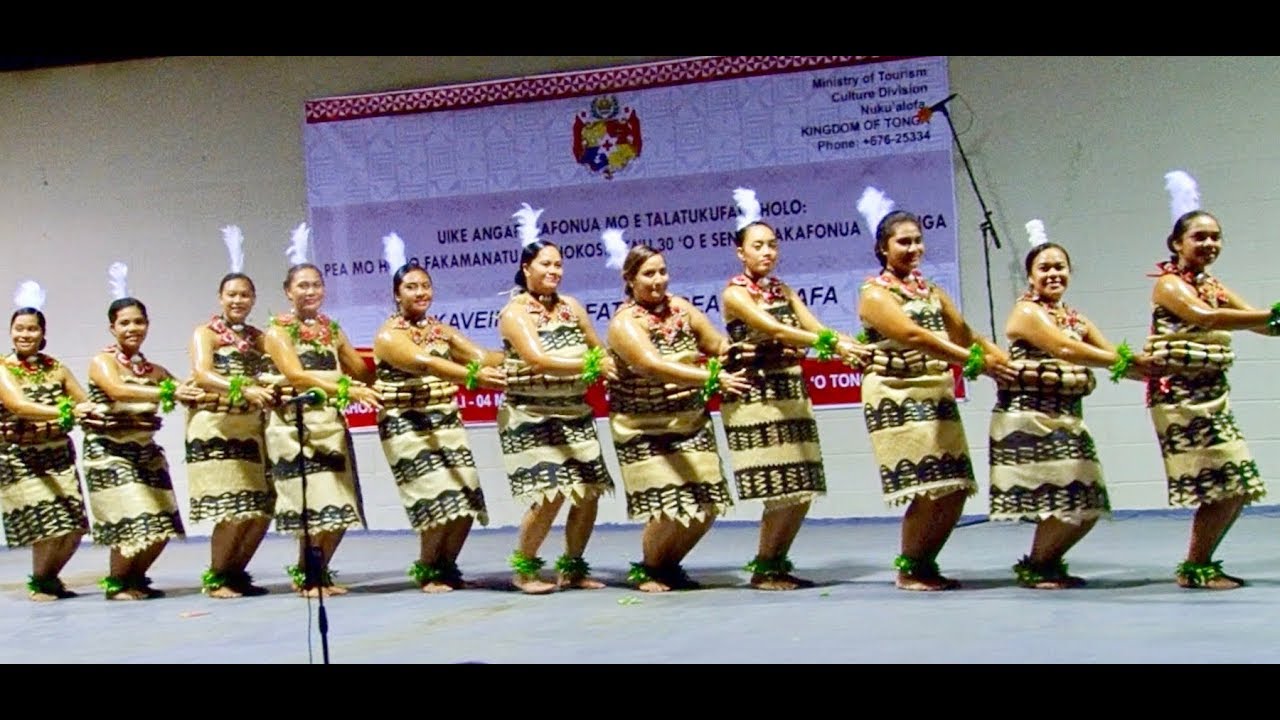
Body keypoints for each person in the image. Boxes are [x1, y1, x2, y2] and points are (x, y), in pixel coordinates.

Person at [854, 187, 1016, 591]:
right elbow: (914, 335)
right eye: (903, 241)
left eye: (918, 240)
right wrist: (976, 363)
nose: (913, 248)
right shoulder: (874, 294)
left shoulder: (931, 291)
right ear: (882, 248)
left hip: (936, 392)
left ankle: (926, 563)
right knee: (927, 487)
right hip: (896, 394)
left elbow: (965, 334)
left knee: (955, 487)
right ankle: (910, 568)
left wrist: (1006, 362)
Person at [989, 220, 1154, 589]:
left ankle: (1043, 564)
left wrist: (1155, 373)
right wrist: (1122, 364)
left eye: (1059, 267)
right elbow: (1066, 349)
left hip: (1067, 418)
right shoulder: (1027, 312)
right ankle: (1037, 567)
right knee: (1065, 499)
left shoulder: (1076, 318)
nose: (1053, 273)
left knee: (1085, 500)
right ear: (1030, 276)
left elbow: (1111, 355)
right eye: (1044, 268)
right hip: (1029, 418)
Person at [719, 187, 868, 590]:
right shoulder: (734, 294)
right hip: (758, 396)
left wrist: (849, 343)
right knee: (781, 486)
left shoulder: (783, 290)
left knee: (803, 486)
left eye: (772, 245)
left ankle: (776, 563)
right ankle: (765, 568)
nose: (767, 252)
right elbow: (776, 328)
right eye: (758, 246)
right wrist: (832, 345)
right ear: (741, 253)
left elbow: (812, 326)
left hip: (791, 389)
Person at [1145, 171, 1273, 590]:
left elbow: (1261, 324)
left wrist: (1273, 319)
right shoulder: (1168, 285)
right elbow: (1206, 318)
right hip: (1181, 399)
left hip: (1212, 396)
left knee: (1234, 484)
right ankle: (1196, 567)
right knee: (1224, 484)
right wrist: (1272, 313)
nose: (1209, 244)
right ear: (1177, 244)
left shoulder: (1211, 285)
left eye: (1215, 237)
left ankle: (1199, 565)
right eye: (1199, 237)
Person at [606, 241, 751, 592]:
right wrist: (711, 377)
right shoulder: (624, 324)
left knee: (708, 505)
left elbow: (713, 342)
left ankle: (669, 566)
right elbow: (653, 366)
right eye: (648, 274)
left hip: (690, 422)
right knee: (669, 503)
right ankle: (650, 568)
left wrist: (730, 351)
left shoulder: (682, 309)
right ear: (630, 278)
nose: (658, 280)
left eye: (662, 271)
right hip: (643, 426)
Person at [372, 233, 505, 593]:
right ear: (397, 294)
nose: (420, 293)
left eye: (425, 286)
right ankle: (429, 570)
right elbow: (424, 362)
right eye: (411, 287)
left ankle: (447, 567)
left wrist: (521, 354)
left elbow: (481, 357)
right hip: (405, 424)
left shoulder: (440, 330)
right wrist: (475, 379)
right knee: (435, 496)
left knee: (465, 494)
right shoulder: (388, 335)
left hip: (444, 419)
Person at [497, 203, 616, 594]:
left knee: (586, 492)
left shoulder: (572, 307)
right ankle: (525, 570)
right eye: (545, 264)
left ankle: (572, 567)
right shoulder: (515, 313)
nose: (553, 271)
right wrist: (590, 367)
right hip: (532, 415)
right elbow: (537, 359)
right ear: (526, 269)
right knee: (550, 494)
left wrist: (607, 364)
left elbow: (596, 350)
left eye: (558, 265)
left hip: (575, 412)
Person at [261, 223, 383, 598]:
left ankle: (318, 573)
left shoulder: (332, 329)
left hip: (330, 423)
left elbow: (359, 368)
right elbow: (296, 376)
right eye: (302, 285)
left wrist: (386, 359)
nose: (310, 291)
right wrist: (347, 387)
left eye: (316, 285)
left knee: (340, 506)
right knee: (312, 508)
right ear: (288, 292)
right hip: (293, 427)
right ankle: (308, 578)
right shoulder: (277, 331)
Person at [83, 262, 203, 600]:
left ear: (148, 325)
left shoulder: (154, 369)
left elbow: (187, 392)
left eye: (139, 321)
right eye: (125, 323)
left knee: (161, 526)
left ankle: (135, 579)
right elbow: (119, 390)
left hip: (145, 454)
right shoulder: (103, 361)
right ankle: (118, 583)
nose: (133, 327)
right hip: (110, 455)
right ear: (112, 328)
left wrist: (213, 386)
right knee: (132, 522)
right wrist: (169, 392)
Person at [183, 226, 277, 598]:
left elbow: (277, 369)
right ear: (220, 298)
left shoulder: (258, 336)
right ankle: (218, 576)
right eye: (231, 294)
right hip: (216, 426)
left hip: (252, 429)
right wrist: (245, 388)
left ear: (253, 299)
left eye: (245, 295)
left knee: (259, 508)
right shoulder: (204, 333)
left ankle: (236, 572)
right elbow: (203, 374)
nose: (238, 300)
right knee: (233, 508)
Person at [0, 281, 94, 600]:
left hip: (58, 457)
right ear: (11, 332)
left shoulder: (57, 368)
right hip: (19, 457)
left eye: (32, 329)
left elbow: (84, 401)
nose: (25, 335)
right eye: (19, 329)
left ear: (43, 333)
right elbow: (19, 406)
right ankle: (41, 582)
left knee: (76, 526)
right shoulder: (2, 369)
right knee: (46, 524)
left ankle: (49, 578)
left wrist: (94, 410)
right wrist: (66, 412)